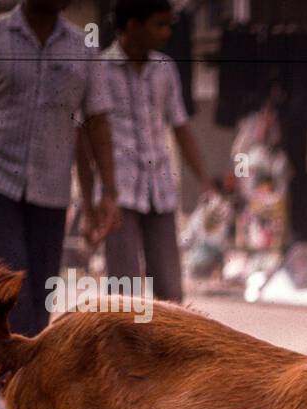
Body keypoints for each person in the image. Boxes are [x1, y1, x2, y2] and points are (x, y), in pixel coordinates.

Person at [0, 0, 118, 338]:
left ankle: (23, 379)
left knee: (42, 292)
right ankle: (18, 375)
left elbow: (96, 124)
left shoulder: (83, 49)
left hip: (50, 187)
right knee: (13, 281)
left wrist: (108, 192)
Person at [86, 0, 214, 302]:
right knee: (125, 293)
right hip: (119, 194)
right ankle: (125, 350)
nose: (167, 32)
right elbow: (87, 134)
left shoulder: (165, 69)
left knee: (171, 292)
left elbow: (180, 126)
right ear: (132, 26)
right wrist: (96, 198)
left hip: (161, 191)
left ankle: (168, 350)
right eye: (160, 24)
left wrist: (203, 178)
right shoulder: (100, 70)